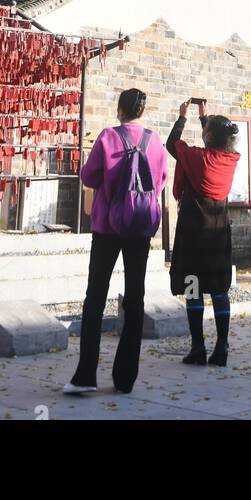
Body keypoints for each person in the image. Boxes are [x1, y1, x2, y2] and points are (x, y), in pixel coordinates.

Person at [64, 87, 168, 395]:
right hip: (139, 229)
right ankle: (125, 379)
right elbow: (160, 181)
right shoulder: (155, 141)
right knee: (135, 298)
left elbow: (89, 177)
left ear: (119, 108)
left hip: (107, 227)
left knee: (95, 297)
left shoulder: (108, 137)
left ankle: (85, 376)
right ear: (142, 111)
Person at [166, 98, 240, 368]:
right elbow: (215, 138)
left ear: (208, 136)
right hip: (219, 231)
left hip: (193, 231)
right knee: (220, 290)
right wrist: (204, 116)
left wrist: (183, 117)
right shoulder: (229, 159)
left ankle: (197, 347)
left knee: (193, 288)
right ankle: (222, 347)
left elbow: (172, 144)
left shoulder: (196, 157)